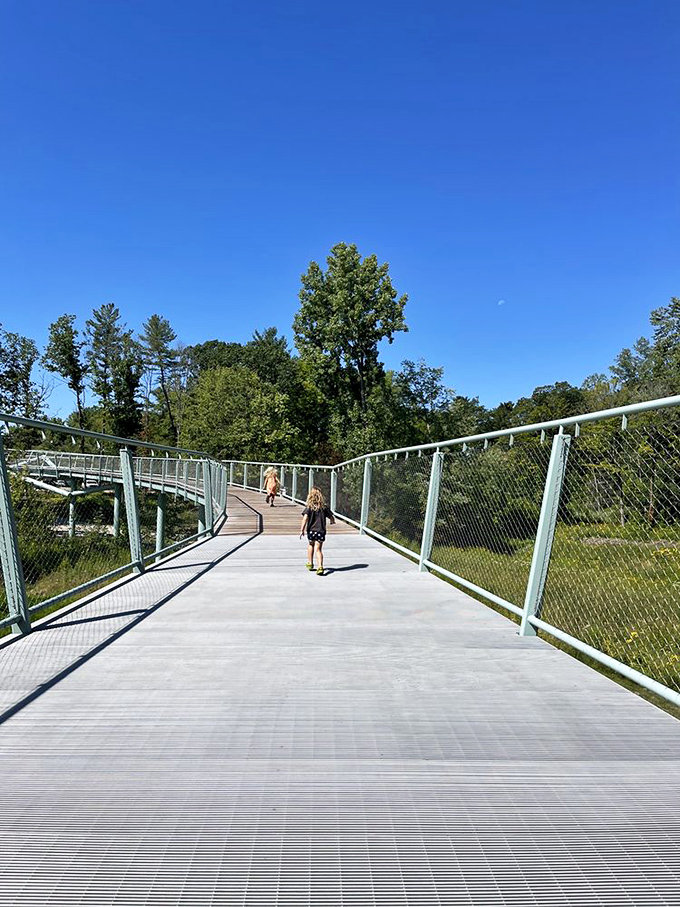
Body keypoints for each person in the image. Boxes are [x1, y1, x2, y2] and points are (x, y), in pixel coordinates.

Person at [300, 487, 336, 576]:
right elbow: (331, 516)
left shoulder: (309, 507)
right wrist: (332, 521)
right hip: (321, 531)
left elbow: (305, 519)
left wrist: (302, 530)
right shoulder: (324, 507)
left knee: (311, 544)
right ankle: (320, 567)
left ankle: (310, 563)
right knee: (318, 549)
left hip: (311, 531)